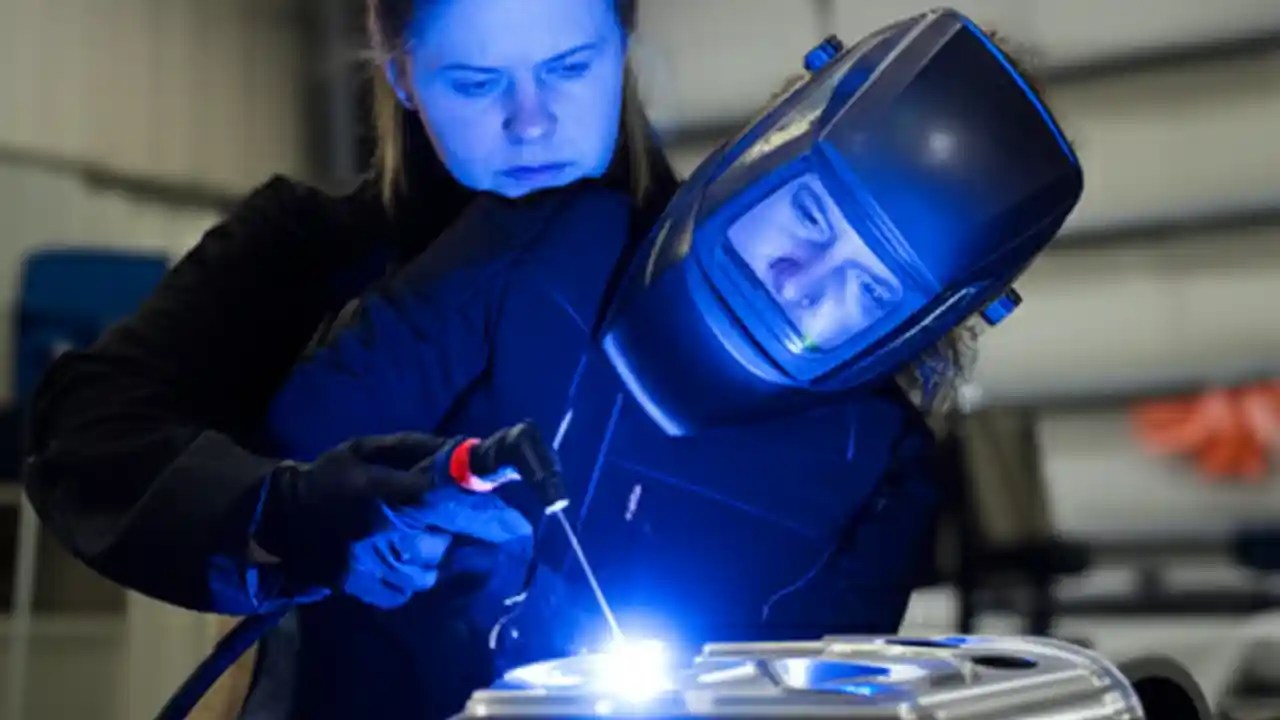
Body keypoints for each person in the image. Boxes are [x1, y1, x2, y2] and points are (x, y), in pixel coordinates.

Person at [252, 8, 1080, 719]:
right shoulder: (547, 244)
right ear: (773, 144)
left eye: (867, 285)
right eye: (810, 216)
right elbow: (288, 450)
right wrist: (402, 514)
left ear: (921, 323)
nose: (801, 279)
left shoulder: (880, 471)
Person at [21, 0, 671, 711]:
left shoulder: (732, 262)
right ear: (401, 76)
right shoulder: (304, 254)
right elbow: (84, 431)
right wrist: (282, 512)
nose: (532, 120)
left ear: (623, 44)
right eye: (477, 82)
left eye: (569, 67)